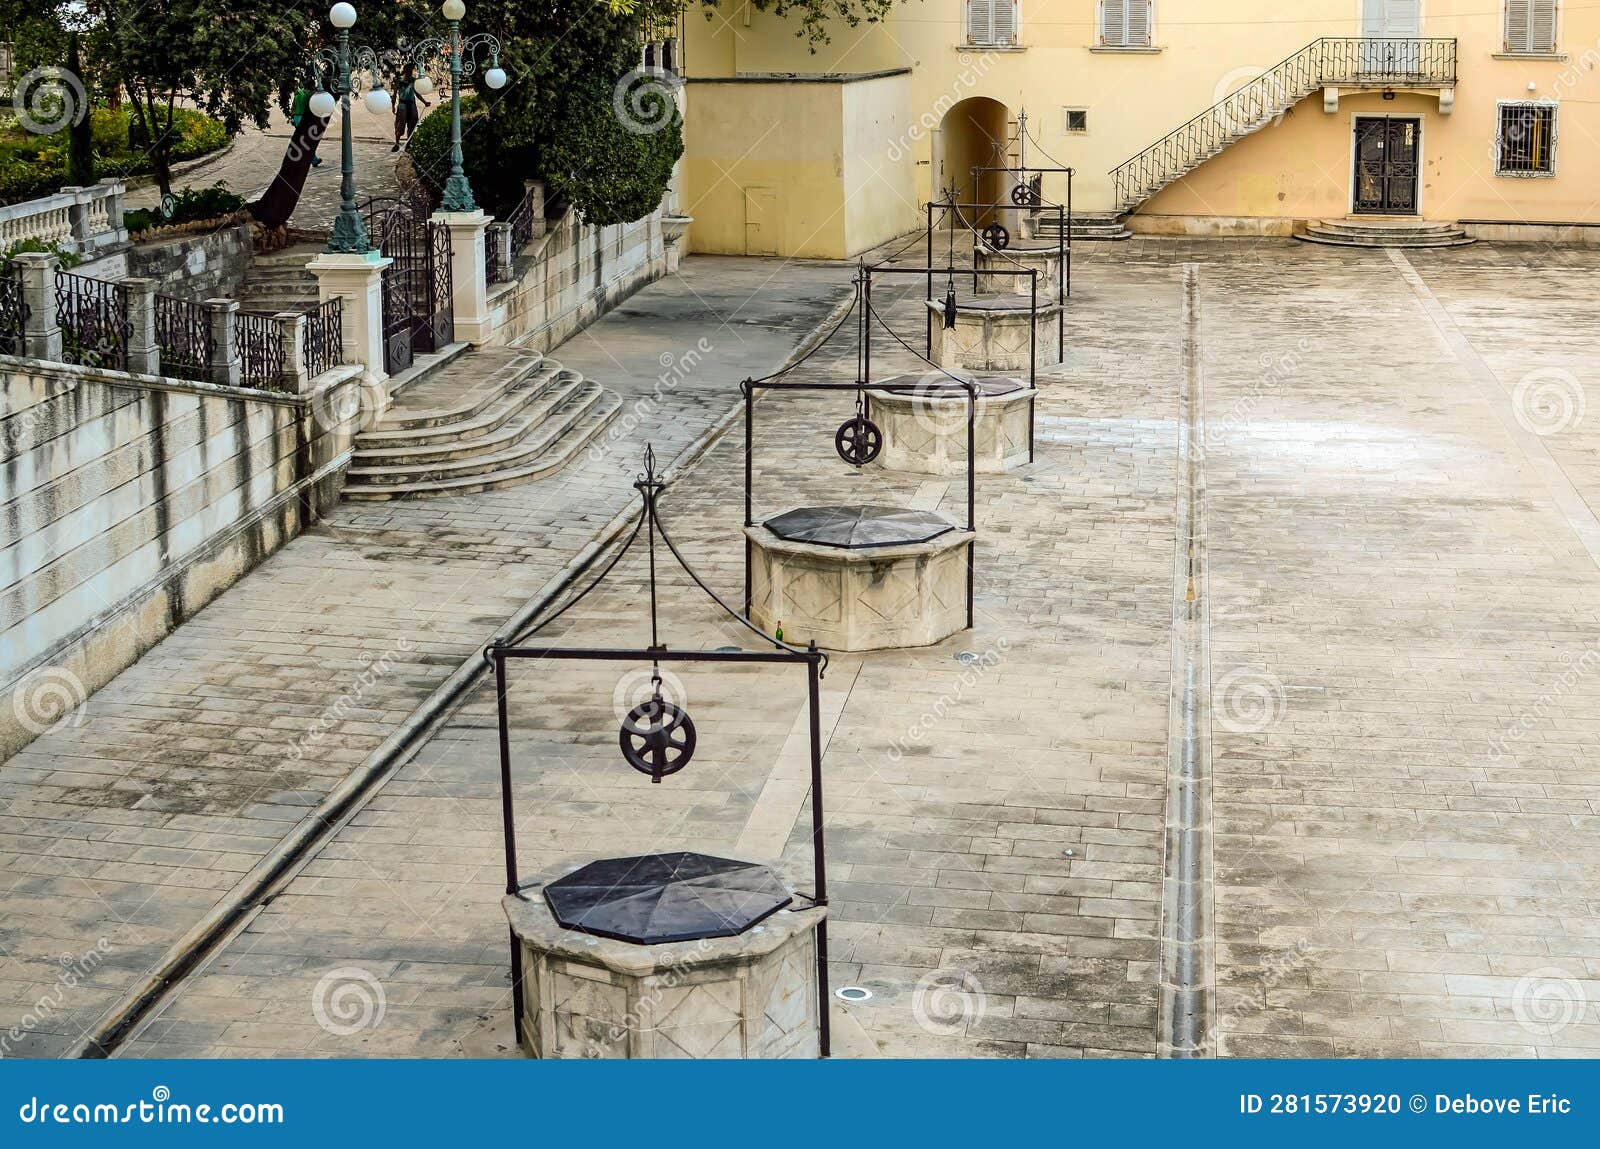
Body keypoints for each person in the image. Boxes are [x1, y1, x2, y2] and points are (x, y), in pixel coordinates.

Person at [392, 64, 430, 152]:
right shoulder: (399, 81)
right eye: (409, 70)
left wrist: (424, 102)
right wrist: (393, 106)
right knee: (400, 126)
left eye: (411, 70)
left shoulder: (413, 80)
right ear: (405, 70)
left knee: (412, 126)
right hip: (402, 105)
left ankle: (408, 145)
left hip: (412, 105)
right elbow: (394, 94)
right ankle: (397, 144)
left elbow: (417, 93)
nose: (410, 72)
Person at [290, 85, 323, 168]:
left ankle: (312, 159)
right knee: (307, 140)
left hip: (296, 117)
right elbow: (309, 107)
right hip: (303, 117)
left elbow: (292, 108)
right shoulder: (306, 95)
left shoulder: (297, 95)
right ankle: (312, 159)